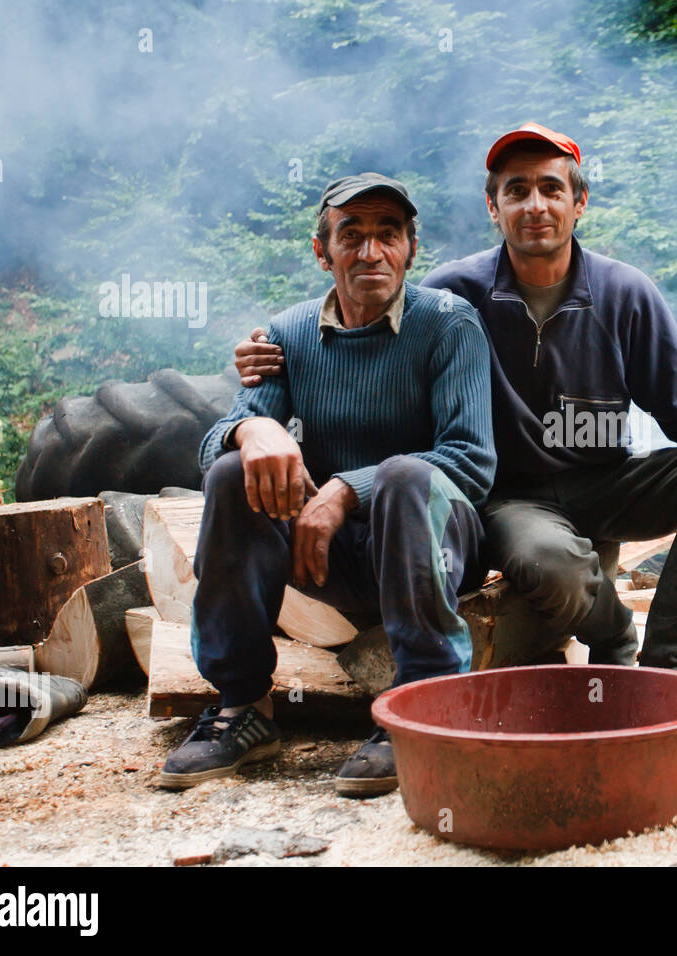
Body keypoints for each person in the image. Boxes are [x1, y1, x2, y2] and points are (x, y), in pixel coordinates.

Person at [236, 124, 677, 726]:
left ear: (579, 202)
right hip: (505, 496)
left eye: (552, 189)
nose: (535, 206)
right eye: (516, 190)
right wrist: (274, 350)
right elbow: (368, 321)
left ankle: (668, 664)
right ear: (492, 206)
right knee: (549, 564)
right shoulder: (453, 295)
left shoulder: (625, 292)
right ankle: (614, 635)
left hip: (608, 479)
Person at [161, 173, 495, 796]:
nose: (372, 252)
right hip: (330, 560)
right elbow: (213, 449)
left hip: (437, 545)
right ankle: (243, 707)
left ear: (410, 248)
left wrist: (345, 489)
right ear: (323, 252)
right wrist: (251, 432)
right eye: (353, 235)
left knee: (402, 476)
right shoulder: (287, 334)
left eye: (388, 235)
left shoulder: (450, 325)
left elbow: (471, 461)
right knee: (235, 472)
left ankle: (419, 705)